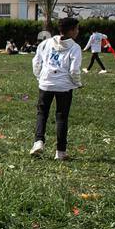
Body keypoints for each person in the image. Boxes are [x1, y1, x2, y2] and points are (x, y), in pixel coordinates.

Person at [29, 17, 82, 161]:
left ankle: (38, 142)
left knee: (42, 114)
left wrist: (40, 78)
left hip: (46, 83)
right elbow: (74, 70)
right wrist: (77, 83)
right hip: (64, 86)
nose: (78, 32)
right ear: (71, 31)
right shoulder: (75, 48)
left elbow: (36, 62)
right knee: (62, 117)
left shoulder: (46, 43)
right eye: (76, 29)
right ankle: (60, 152)